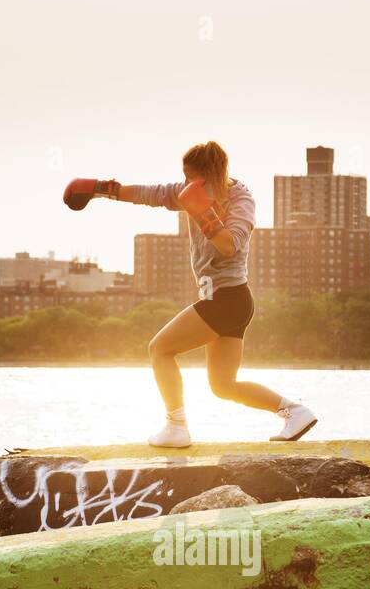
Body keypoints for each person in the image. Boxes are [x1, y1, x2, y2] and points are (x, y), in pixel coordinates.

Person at [63, 142, 318, 447]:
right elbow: (148, 194)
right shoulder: (188, 190)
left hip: (228, 299)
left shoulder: (240, 199)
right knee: (223, 386)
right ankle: (295, 411)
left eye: (191, 177)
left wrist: (203, 212)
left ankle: (176, 427)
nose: (185, 184)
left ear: (211, 174)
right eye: (183, 176)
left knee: (159, 349)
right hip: (227, 301)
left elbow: (230, 244)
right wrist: (100, 189)